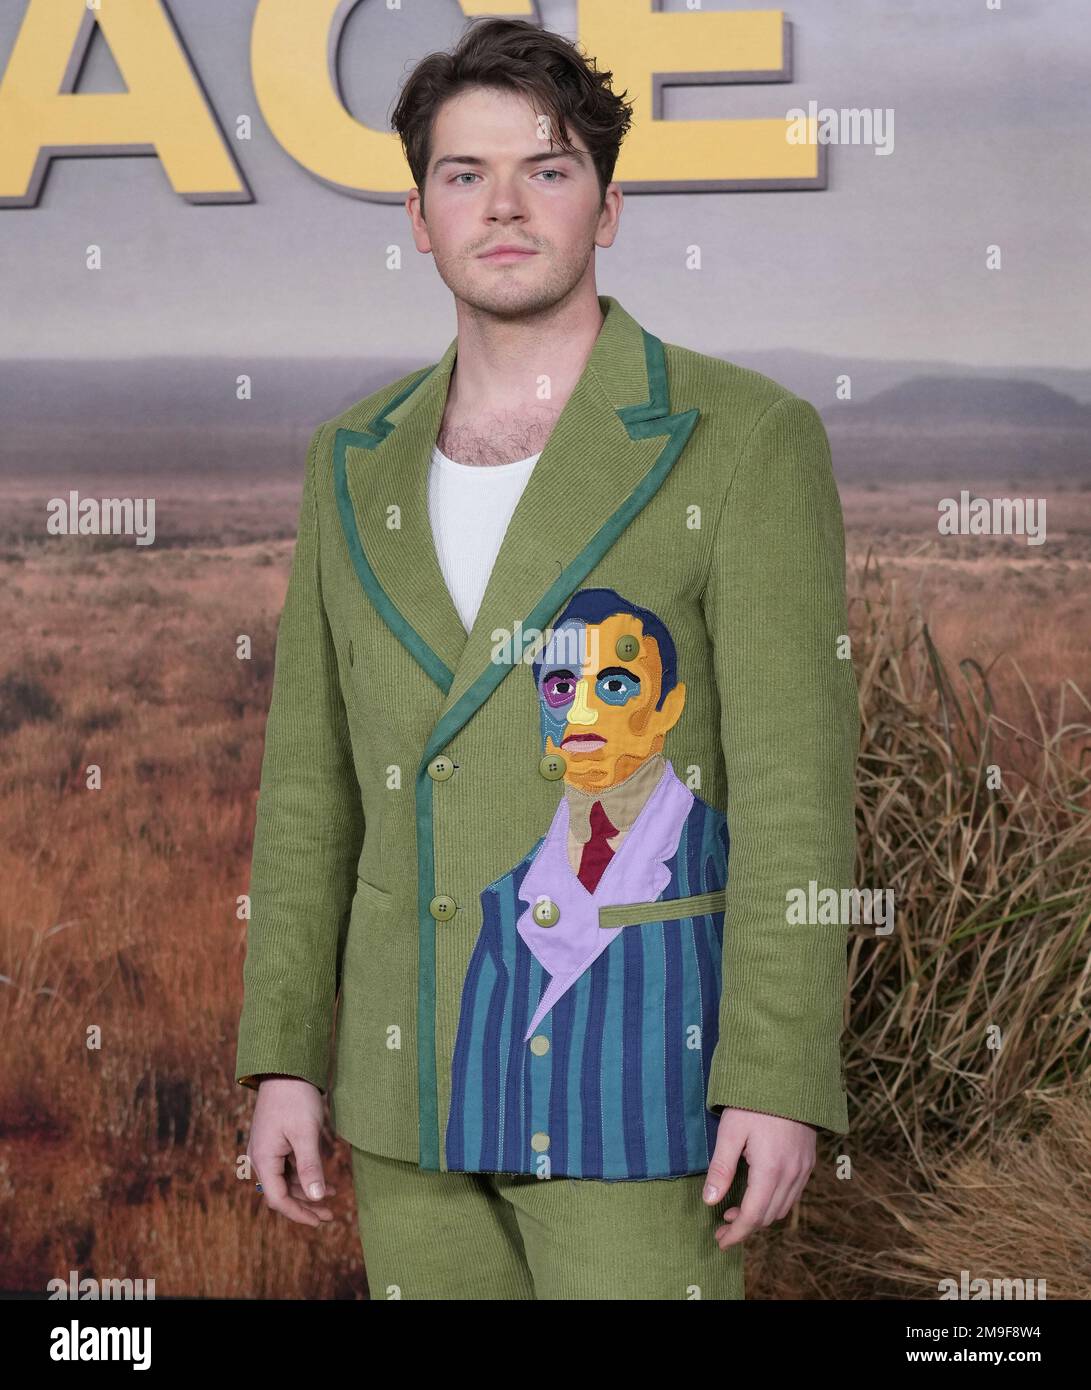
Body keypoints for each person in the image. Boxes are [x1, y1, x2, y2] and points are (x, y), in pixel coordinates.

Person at [235, 16, 859, 1301]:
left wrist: (777, 1075)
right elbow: (309, 788)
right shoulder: (347, 459)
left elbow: (796, 790)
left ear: (609, 206)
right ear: (419, 215)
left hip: (638, 1081)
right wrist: (284, 1056)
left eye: (549, 169)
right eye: (465, 175)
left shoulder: (742, 437)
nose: (504, 206)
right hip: (407, 1090)